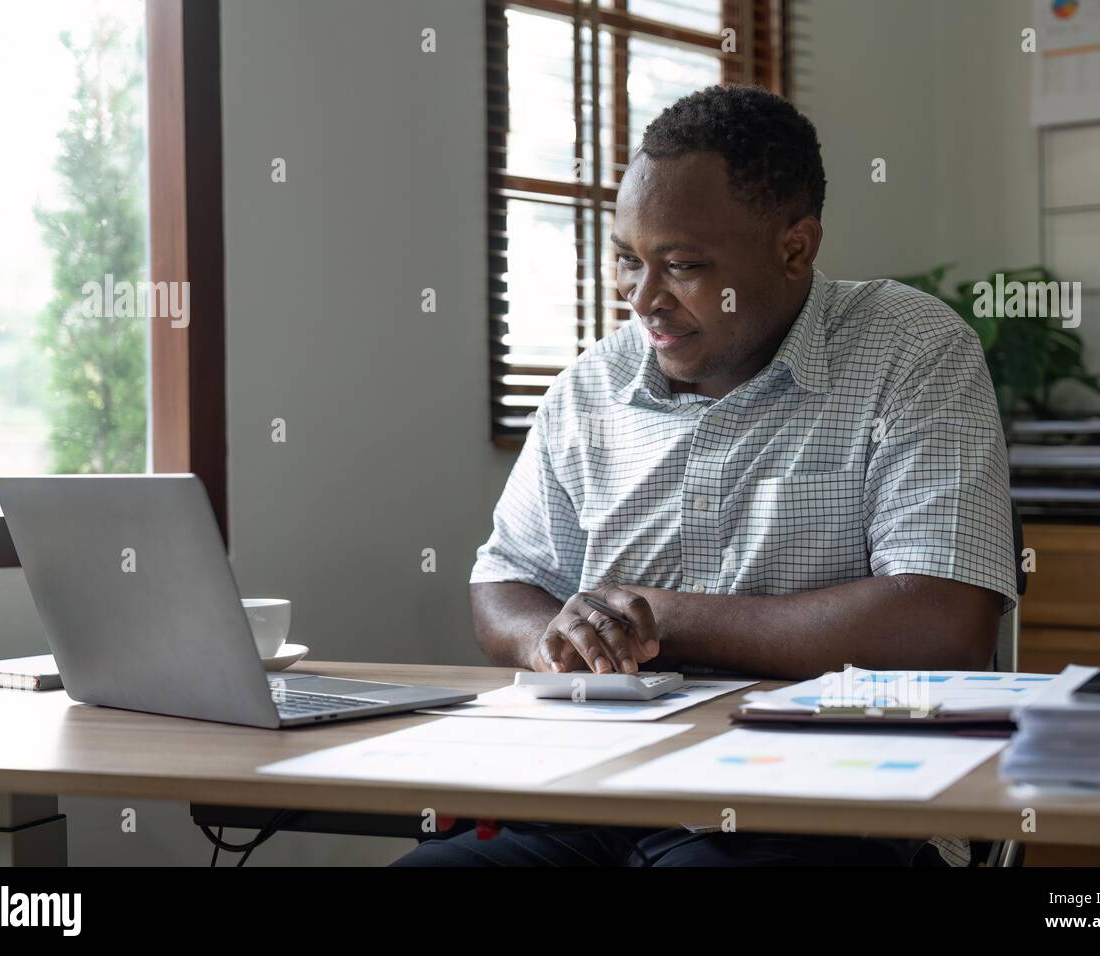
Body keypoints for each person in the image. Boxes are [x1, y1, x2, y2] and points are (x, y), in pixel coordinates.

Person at [394, 84, 1014, 867]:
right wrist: (554, 632)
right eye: (628, 261)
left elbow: (942, 626)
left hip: (824, 805)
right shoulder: (594, 384)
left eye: (682, 266)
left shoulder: (909, 351)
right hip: (595, 791)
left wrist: (662, 617)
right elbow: (504, 586)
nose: (643, 300)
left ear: (795, 247)